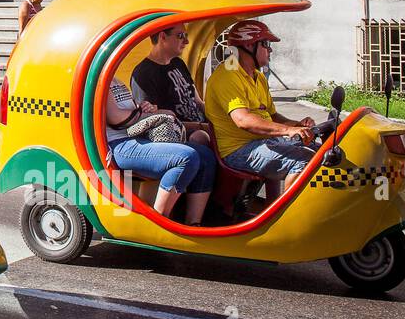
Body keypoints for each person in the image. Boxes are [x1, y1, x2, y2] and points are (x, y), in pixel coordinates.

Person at [205, 20, 316, 199]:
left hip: (262, 142)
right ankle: (285, 219)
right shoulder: (227, 75)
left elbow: (273, 117)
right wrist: (288, 130)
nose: (270, 50)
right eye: (266, 44)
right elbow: (243, 120)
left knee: (320, 151)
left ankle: (275, 206)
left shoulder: (258, 77)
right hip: (238, 150)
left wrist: (297, 125)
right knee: (304, 161)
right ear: (249, 45)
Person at [105, 77, 216, 224]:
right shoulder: (101, 80)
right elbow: (116, 118)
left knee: (205, 156)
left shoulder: (116, 80)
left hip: (138, 137)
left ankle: (193, 224)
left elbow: (129, 111)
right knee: (186, 157)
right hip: (120, 145)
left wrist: (144, 107)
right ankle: (159, 222)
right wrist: (152, 115)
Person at [130, 22, 214, 146]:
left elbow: (198, 102)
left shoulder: (178, 63)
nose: (186, 41)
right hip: (179, 133)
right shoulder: (143, 74)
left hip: (203, 125)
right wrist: (203, 127)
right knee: (201, 137)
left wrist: (220, 119)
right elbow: (152, 120)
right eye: (180, 36)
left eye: (186, 35)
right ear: (162, 37)